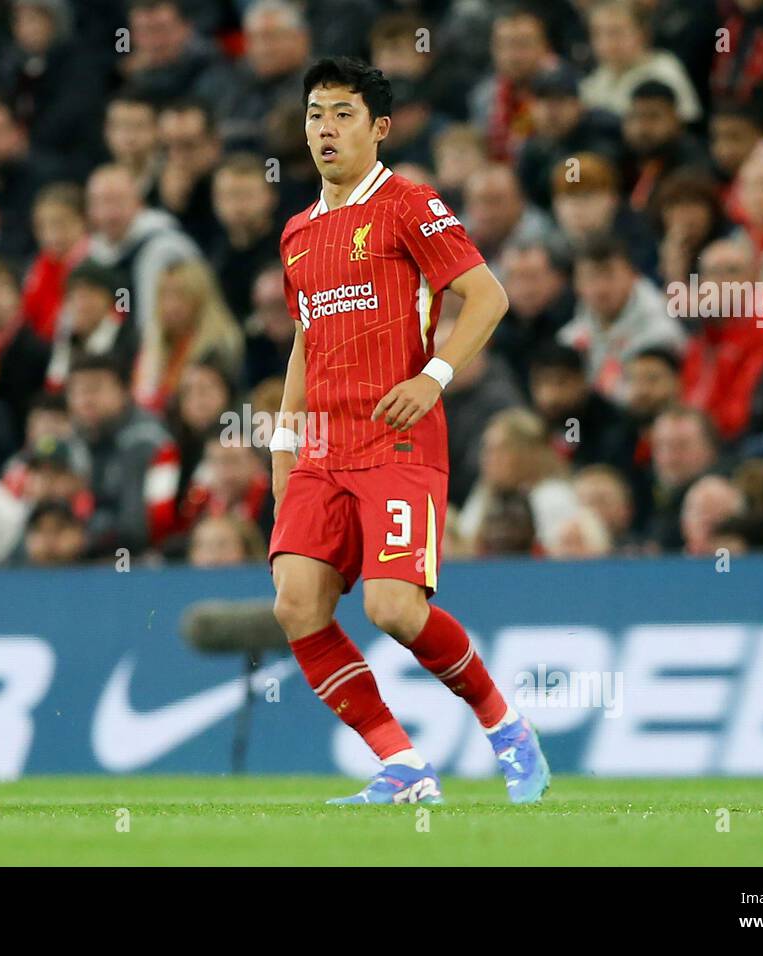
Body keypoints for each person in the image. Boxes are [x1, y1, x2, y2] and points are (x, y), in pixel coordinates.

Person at [268, 57, 548, 806]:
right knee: (296, 602)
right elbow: (304, 339)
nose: (325, 129)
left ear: (379, 128)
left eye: (343, 114)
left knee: (391, 607)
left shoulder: (408, 205)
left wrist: (435, 378)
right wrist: (283, 440)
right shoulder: (297, 232)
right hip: (323, 447)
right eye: (315, 114)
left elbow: (486, 297)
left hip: (396, 437)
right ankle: (403, 766)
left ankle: (505, 724)